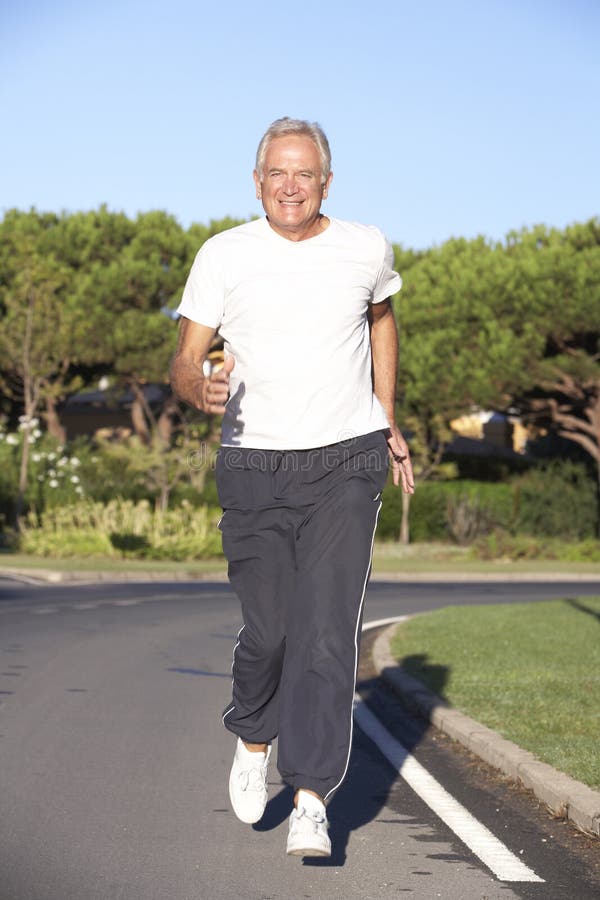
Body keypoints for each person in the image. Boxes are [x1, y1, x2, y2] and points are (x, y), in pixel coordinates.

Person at [170, 117, 414, 858]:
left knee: (326, 632)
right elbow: (184, 359)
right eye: (277, 172)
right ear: (257, 182)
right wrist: (197, 388)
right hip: (254, 462)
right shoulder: (224, 255)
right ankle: (253, 737)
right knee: (271, 631)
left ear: (326, 183)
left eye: (304, 173)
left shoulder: (365, 247)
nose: (290, 186)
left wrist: (386, 415)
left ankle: (311, 796)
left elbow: (382, 321)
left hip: (346, 458)